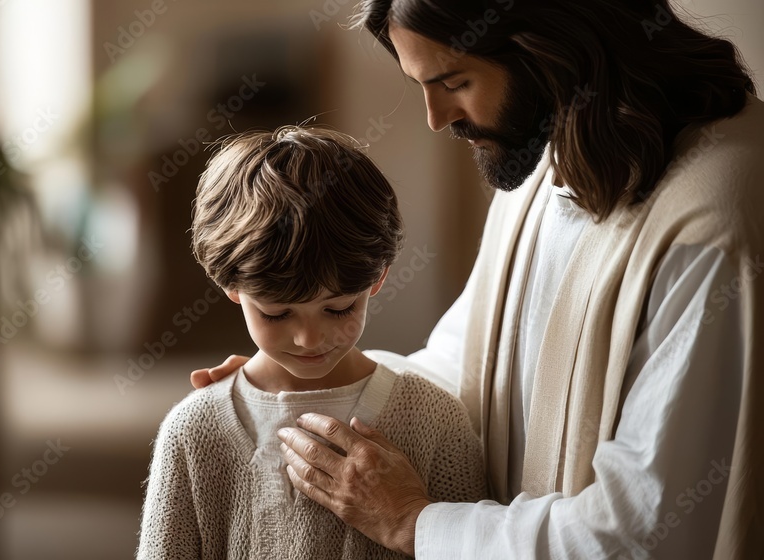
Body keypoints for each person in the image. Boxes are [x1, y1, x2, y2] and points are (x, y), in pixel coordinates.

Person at [192, 1, 764, 558]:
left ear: (552, 44)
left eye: (455, 82)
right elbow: (468, 372)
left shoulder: (714, 223)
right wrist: (316, 382)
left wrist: (414, 524)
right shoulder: (559, 147)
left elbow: (646, 533)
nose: (437, 119)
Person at [138, 126, 488, 559]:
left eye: (338, 309)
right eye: (277, 314)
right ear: (230, 285)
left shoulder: (438, 424)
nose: (309, 338)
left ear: (378, 278)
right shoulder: (193, 431)